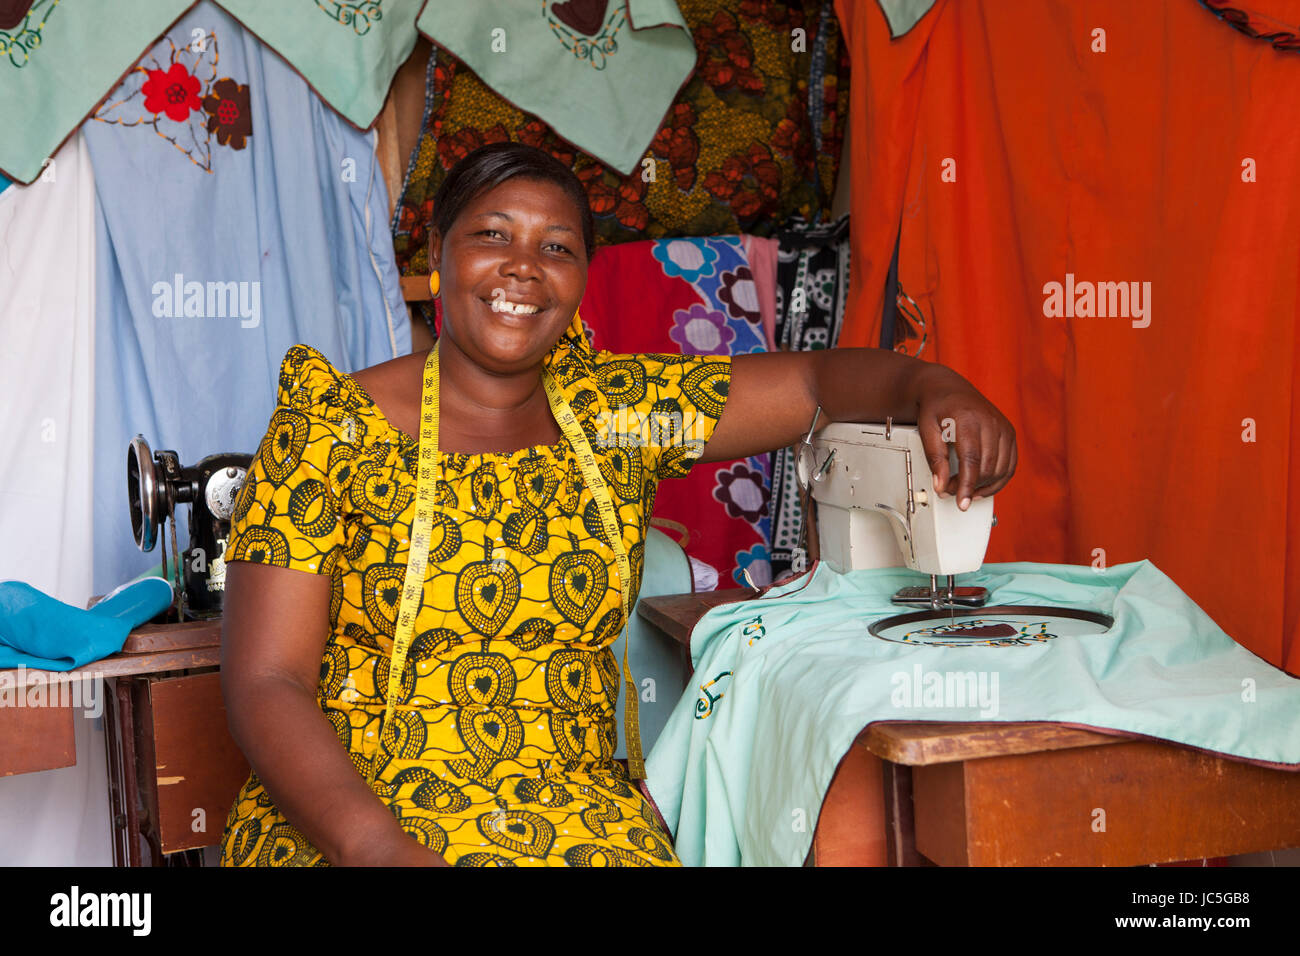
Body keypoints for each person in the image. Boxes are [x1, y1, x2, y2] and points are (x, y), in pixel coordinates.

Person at [217, 142, 1016, 867]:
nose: (523, 267)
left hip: (579, 818)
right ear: (436, 253)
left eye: (556, 248)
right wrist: (375, 846)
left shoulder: (618, 416)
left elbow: (811, 385)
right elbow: (267, 681)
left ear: (580, 280)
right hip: (356, 817)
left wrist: (931, 387)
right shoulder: (332, 427)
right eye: (493, 235)